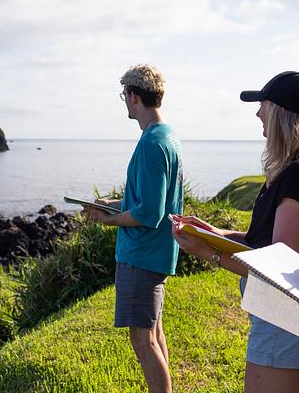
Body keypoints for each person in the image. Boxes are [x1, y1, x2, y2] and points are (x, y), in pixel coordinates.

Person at [172, 71, 299, 393]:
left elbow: (280, 268)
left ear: (280, 113)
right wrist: (213, 231)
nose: (257, 113)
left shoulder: (297, 175)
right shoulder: (298, 170)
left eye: (263, 105)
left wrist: (210, 253)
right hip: (285, 316)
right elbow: (264, 243)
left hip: (282, 316)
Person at [83, 63, 184, 393]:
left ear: (134, 96)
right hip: (156, 253)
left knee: (142, 340)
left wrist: (111, 220)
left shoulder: (152, 144)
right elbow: (145, 200)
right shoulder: (166, 136)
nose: (124, 101)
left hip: (142, 256)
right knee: (153, 334)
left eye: (124, 95)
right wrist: (106, 207)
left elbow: (150, 213)